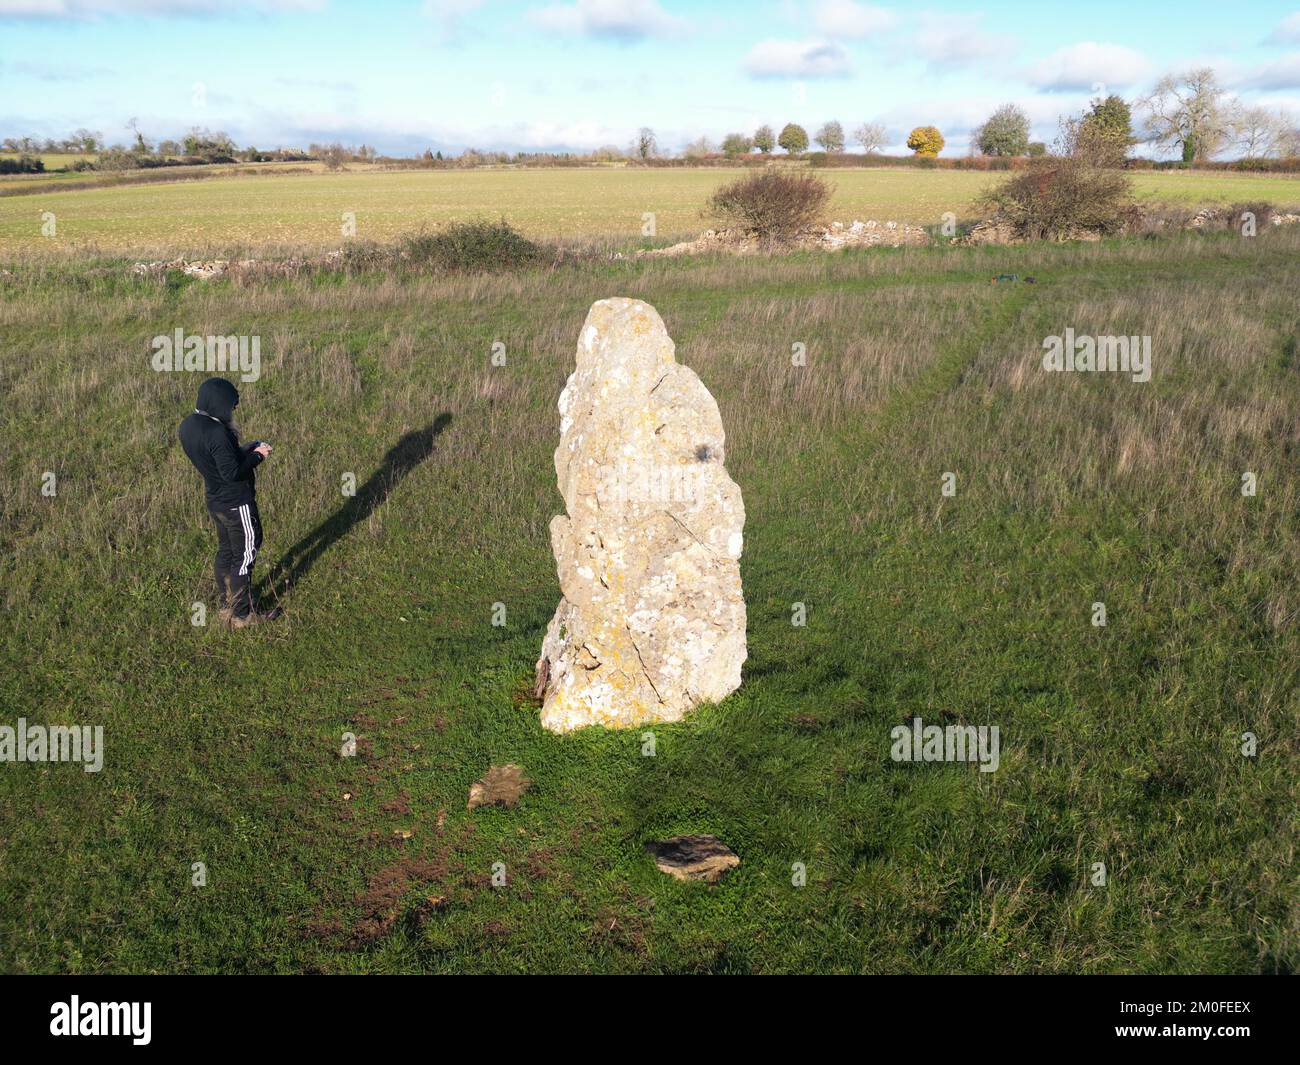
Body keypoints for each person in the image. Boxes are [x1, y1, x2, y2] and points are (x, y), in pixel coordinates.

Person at [178, 378, 279, 627]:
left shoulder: (189, 425)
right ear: (218, 405)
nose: (232, 411)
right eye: (230, 406)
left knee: (227, 552)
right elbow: (232, 473)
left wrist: (245, 449)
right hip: (236, 503)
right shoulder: (218, 433)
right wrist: (257, 456)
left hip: (216, 501)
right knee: (245, 553)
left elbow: (219, 461)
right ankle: (242, 615)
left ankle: (227, 605)